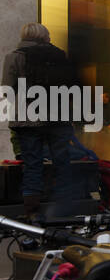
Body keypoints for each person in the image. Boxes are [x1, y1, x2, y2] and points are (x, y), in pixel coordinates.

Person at [3, 23, 78, 217]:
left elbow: (7, 90)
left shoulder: (14, 57)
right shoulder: (59, 55)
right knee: (62, 163)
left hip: (28, 120)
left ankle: (32, 211)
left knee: (32, 165)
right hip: (58, 118)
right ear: (45, 36)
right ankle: (64, 207)